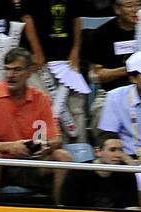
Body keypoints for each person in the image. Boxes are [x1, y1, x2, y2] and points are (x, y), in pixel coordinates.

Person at [0, 48, 75, 202]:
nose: (10, 75)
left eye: (17, 70)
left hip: (32, 163)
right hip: (3, 163)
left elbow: (57, 139)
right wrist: (10, 147)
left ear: (29, 72)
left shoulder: (40, 98)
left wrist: (46, 146)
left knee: (63, 156)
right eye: (7, 69)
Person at [87, 0, 141, 125]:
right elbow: (96, 75)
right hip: (111, 93)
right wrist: (129, 70)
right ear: (117, 9)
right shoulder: (103, 33)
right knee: (101, 113)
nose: (135, 9)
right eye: (129, 5)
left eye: (138, 5)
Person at [21, 0, 89, 140]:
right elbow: (27, 18)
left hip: (68, 59)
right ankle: (51, 149)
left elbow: (77, 19)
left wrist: (76, 50)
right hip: (41, 62)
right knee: (45, 106)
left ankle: (82, 153)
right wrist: (37, 51)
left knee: (76, 107)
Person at [59, 134, 139, 208]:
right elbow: (67, 205)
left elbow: (131, 207)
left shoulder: (127, 174)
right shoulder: (77, 172)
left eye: (120, 150)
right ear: (98, 152)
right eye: (112, 150)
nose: (118, 155)